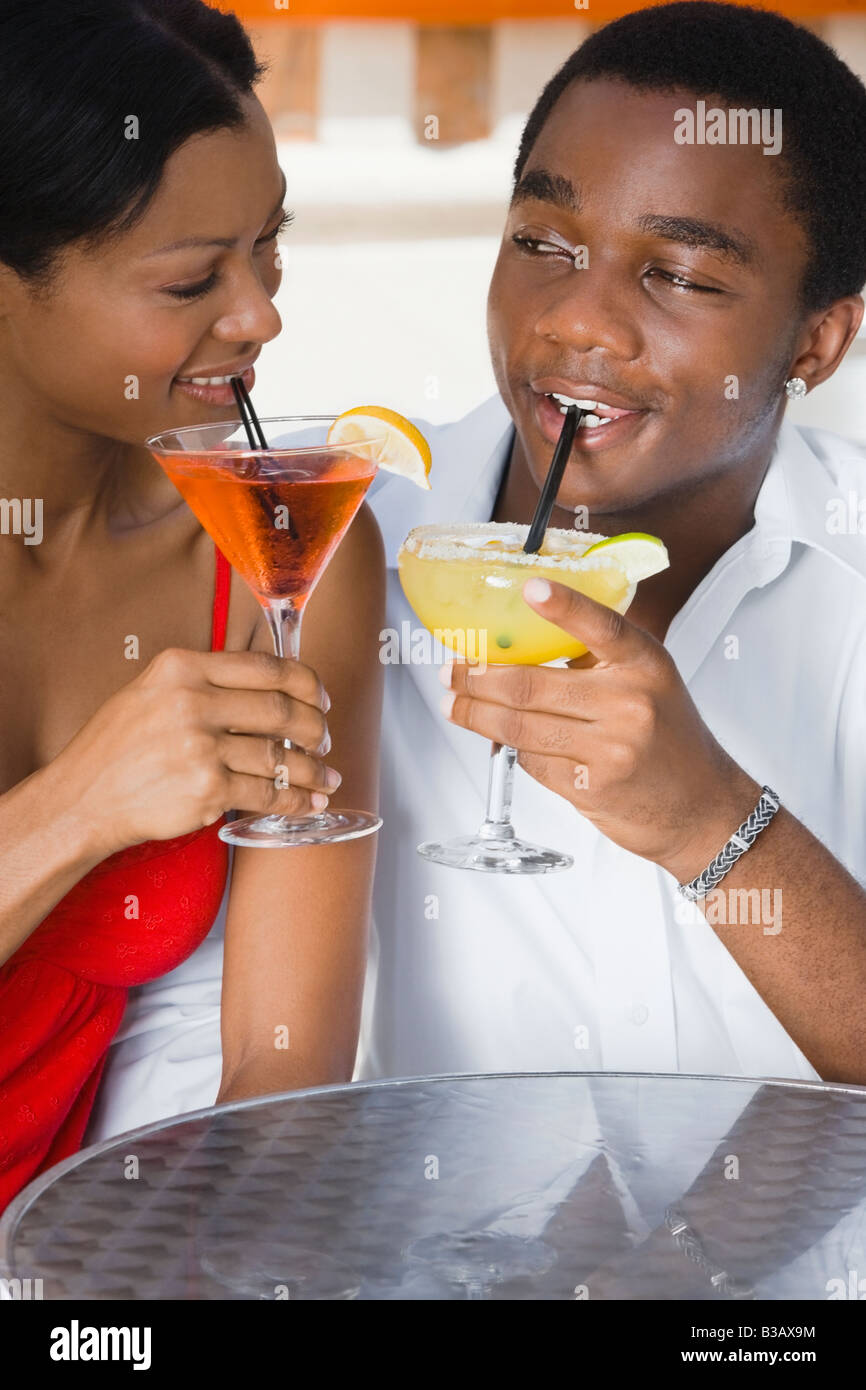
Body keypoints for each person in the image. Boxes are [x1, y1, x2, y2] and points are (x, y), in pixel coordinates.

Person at [89, 0, 866, 1147]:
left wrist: (709, 821)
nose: (576, 323)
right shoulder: (332, 547)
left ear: (815, 343)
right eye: (540, 244)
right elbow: (201, 1036)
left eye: (680, 277)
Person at [0, 0, 384, 1213]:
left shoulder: (277, 545)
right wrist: (77, 809)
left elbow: (281, 1086)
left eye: (268, 244)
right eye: (190, 279)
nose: (262, 312)